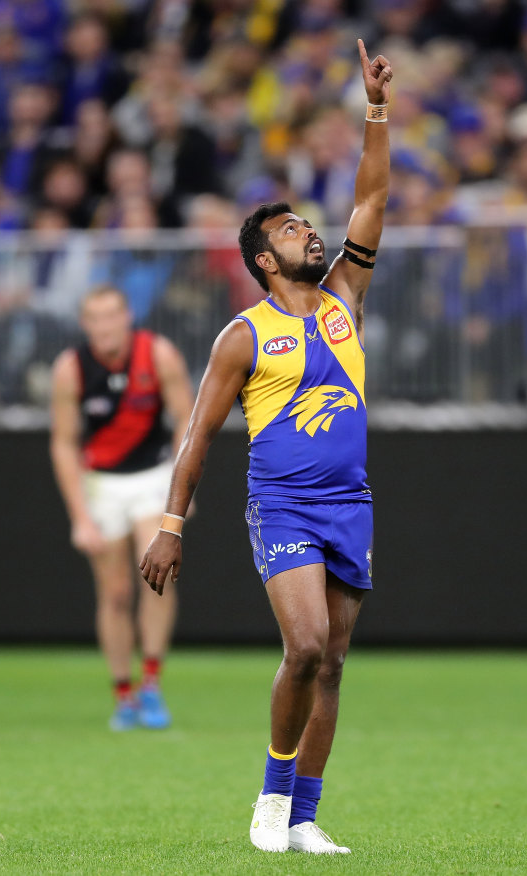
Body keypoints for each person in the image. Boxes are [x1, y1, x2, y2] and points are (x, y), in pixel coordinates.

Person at [140, 40, 392, 854]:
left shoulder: (345, 297)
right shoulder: (243, 336)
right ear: (263, 259)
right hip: (282, 501)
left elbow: (373, 196)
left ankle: (308, 817)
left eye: (309, 224)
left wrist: (376, 111)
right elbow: (197, 434)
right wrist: (172, 523)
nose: (310, 233)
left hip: (350, 502)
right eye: (293, 229)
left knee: (336, 663)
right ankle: (272, 798)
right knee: (307, 645)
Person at [50, 283, 194, 731]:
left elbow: (188, 426)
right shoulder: (71, 369)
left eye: (112, 314)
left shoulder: (159, 354)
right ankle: (123, 693)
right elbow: (64, 443)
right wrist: (79, 517)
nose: (105, 325)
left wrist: (180, 494)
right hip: (101, 484)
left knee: (154, 574)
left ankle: (151, 682)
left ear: (127, 316)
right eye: (95, 317)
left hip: (152, 476)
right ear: (85, 323)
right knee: (113, 594)